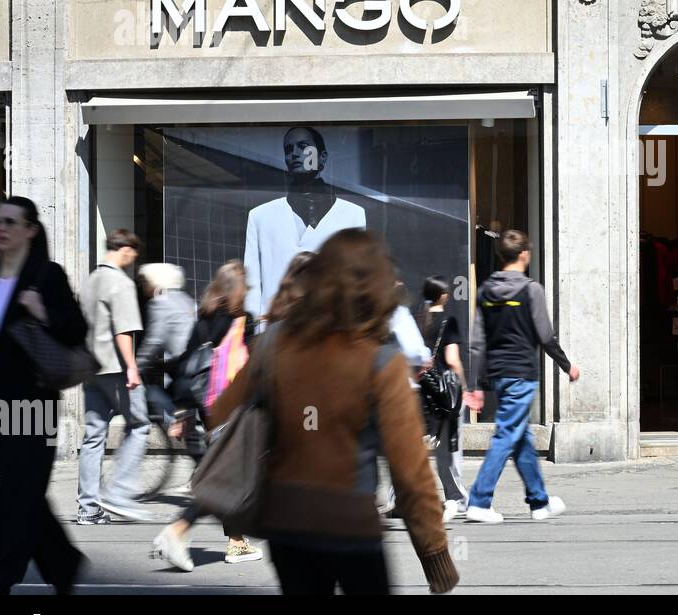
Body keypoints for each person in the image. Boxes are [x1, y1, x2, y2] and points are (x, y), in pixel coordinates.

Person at [209, 229, 459, 595]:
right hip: (350, 526)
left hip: (287, 524)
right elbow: (411, 471)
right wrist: (435, 555)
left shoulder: (274, 342)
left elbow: (221, 413)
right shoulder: (381, 361)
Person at [0, 196, 88, 594]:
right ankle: (62, 562)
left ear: (30, 230)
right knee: (22, 488)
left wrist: (42, 312)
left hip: (34, 402)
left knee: (18, 487)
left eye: (11, 222)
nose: (2, 228)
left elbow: (76, 331)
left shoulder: (46, 277)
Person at [150, 261, 260, 570]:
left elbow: (185, 366)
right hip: (236, 410)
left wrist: (183, 411)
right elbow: (255, 366)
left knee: (227, 480)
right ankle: (176, 530)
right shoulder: (242, 320)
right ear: (238, 289)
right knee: (221, 482)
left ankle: (236, 542)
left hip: (209, 412)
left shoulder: (203, 318)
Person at [464, 229, 578, 523]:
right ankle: (479, 500)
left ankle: (539, 502)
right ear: (524, 254)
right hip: (522, 373)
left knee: (521, 436)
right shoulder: (531, 290)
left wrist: (474, 384)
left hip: (499, 376)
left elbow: (477, 341)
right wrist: (567, 366)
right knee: (506, 435)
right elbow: (545, 335)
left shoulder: (486, 290)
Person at [243, 126, 365, 323]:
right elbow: (252, 283)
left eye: (303, 146)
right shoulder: (260, 217)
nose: (295, 154)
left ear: (323, 157)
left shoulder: (352, 215)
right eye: (289, 149)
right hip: (277, 331)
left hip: (330, 330)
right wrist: (255, 332)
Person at [77, 228, 151, 524]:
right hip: (116, 369)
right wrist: (132, 367)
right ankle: (119, 492)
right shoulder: (120, 283)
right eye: (133, 253)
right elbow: (124, 330)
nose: (133, 259)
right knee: (140, 424)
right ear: (125, 250)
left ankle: (88, 509)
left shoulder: (91, 281)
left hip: (91, 368)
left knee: (93, 436)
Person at [418, 276, 468, 523]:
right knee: (449, 448)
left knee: (417, 447)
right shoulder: (449, 322)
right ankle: (456, 497)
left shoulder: (418, 320)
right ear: (444, 296)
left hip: (421, 391)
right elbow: (452, 359)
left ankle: (400, 496)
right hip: (444, 392)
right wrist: (465, 387)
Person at [135, 263, 197, 432]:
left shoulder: (161, 301)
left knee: (152, 392)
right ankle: (185, 421)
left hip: (181, 367)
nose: (144, 286)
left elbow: (154, 340)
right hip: (193, 365)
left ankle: (175, 421)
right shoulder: (186, 299)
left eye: (146, 282)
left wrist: (136, 366)